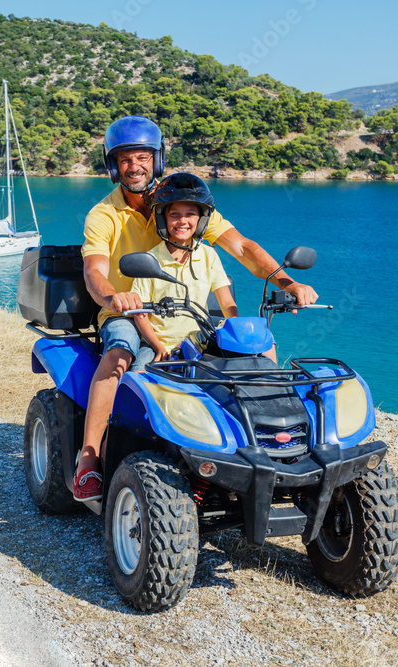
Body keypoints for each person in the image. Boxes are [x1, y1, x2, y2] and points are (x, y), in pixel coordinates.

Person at [74, 116, 318, 502]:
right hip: (128, 311)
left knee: (244, 355)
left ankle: (263, 446)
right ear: (112, 164)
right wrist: (112, 298)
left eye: (142, 157)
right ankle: (88, 461)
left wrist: (289, 284)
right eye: (124, 159)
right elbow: (94, 271)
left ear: (157, 159)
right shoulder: (103, 215)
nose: (134, 166)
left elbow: (242, 248)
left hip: (186, 313)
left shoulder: (182, 201)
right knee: (119, 355)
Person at [128, 173, 237, 371]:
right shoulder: (150, 259)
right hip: (157, 344)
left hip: (198, 342)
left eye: (190, 214)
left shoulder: (208, 255)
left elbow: (227, 302)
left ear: (201, 219)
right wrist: (158, 346)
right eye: (174, 214)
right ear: (163, 219)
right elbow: (140, 314)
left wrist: (237, 330)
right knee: (138, 375)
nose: (182, 221)